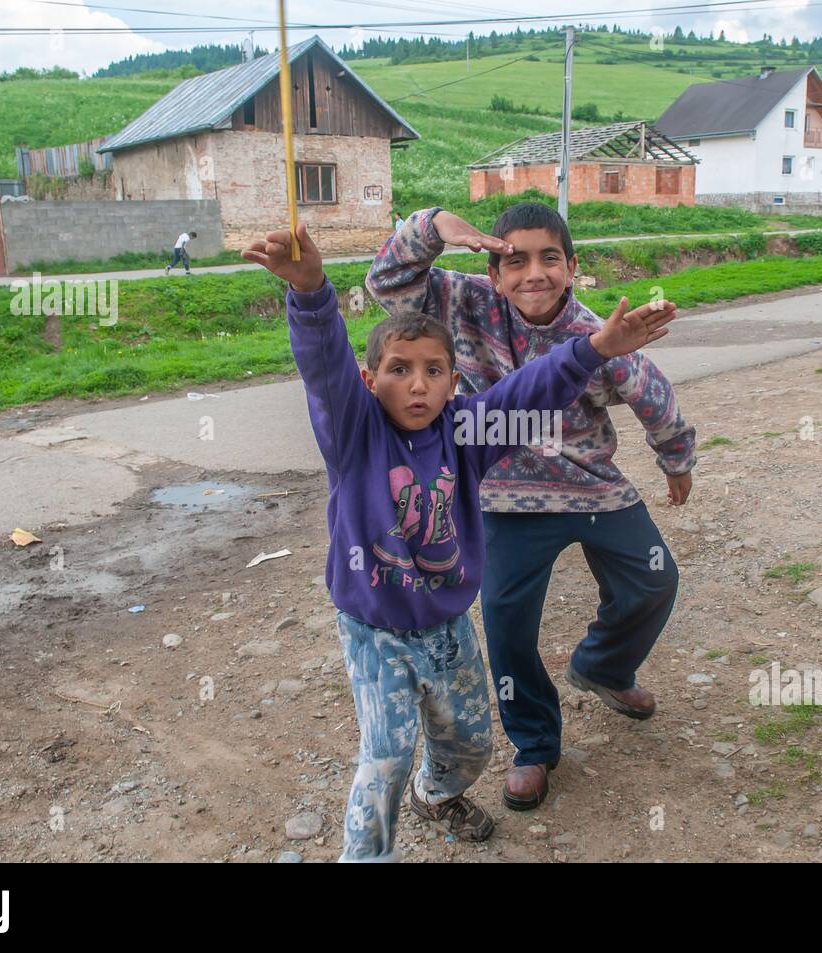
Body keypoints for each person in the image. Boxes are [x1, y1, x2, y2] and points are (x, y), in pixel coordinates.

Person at [242, 222, 679, 861]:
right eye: (398, 370)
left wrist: (596, 347)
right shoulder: (352, 432)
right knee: (385, 755)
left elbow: (527, 389)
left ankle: (438, 791)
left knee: (471, 742)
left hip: (448, 629)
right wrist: (310, 288)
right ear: (369, 381)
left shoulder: (468, 433)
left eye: (433, 371)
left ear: (454, 384)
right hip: (375, 630)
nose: (416, 385)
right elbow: (323, 361)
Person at [368, 204, 696, 811]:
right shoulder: (461, 303)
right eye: (514, 260)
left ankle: (604, 666)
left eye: (550, 258)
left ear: (572, 268)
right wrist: (434, 224)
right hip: (502, 491)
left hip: (589, 481)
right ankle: (535, 744)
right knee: (506, 625)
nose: (533, 274)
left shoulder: (599, 332)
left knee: (653, 580)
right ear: (493, 274)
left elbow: (652, 393)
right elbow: (386, 282)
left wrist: (677, 457)